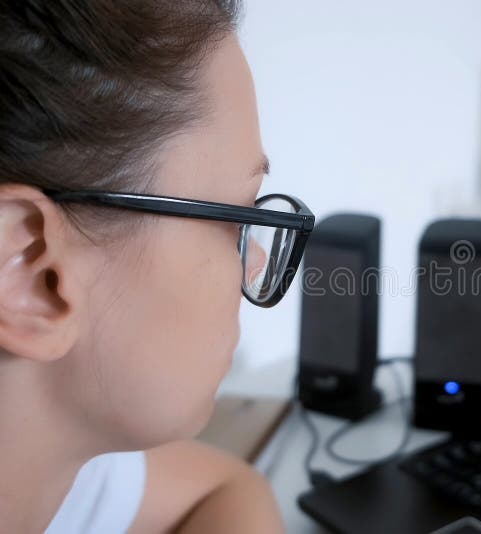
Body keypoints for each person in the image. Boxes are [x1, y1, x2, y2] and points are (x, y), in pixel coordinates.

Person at [0, 1, 310, 532]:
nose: (256, 258)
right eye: (237, 217)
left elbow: (228, 487)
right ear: (33, 273)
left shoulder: (68, 482)